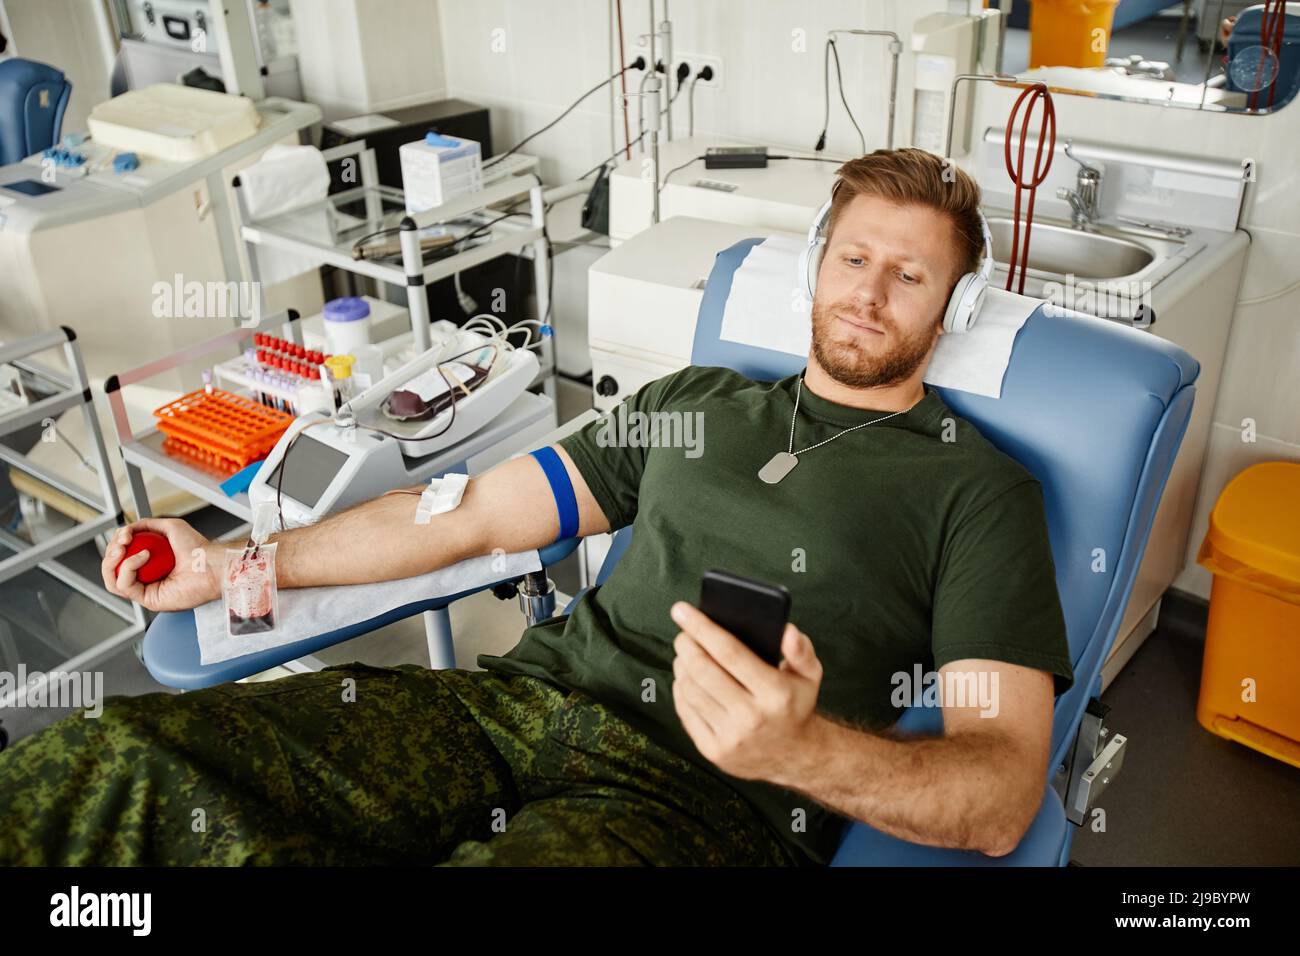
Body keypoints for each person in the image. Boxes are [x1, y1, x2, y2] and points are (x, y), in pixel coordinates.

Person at [0, 148, 1073, 867]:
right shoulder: (692, 402)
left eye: (910, 276)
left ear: (957, 304)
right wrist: (239, 564)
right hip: (512, 710)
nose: (868, 294)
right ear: (814, 263)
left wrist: (795, 751)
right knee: (105, 764)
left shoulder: (974, 490)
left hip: (694, 805)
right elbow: (463, 515)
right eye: (852, 257)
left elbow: (1001, 787)